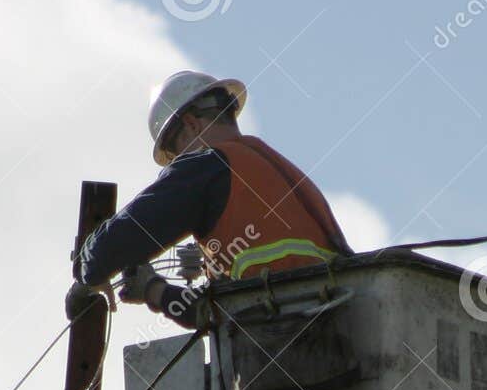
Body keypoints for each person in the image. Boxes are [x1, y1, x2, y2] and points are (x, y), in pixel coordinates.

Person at [69, 71, 351, 326]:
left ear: (191, 125)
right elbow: (220, 314)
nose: (179, 163)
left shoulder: (209, 166)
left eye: (176, 153)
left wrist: (84, 272)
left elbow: (114, 244)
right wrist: (155, 290)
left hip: (285, 346)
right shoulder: (276, 172)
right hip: (333, 344)